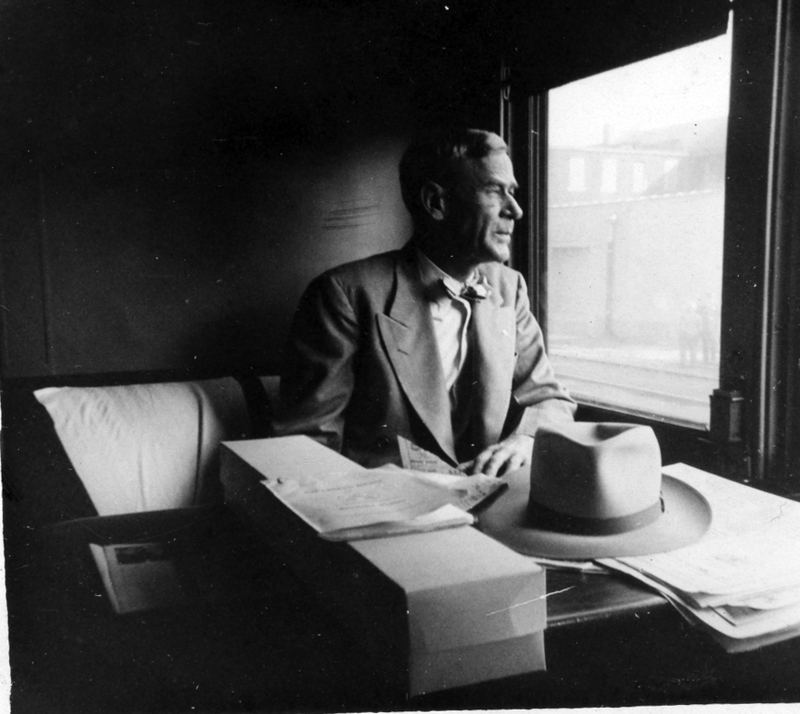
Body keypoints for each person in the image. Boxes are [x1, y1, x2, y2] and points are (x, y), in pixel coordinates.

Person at [273, 128, 576, 476]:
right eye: (495, 191)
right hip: (382, 512)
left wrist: (525, 440)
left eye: (513, 193)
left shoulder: (509, 288)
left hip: (488, 502)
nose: (517, 211)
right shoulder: (343, 294)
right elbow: (308, 447)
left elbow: (548, 397)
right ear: (436, 202)